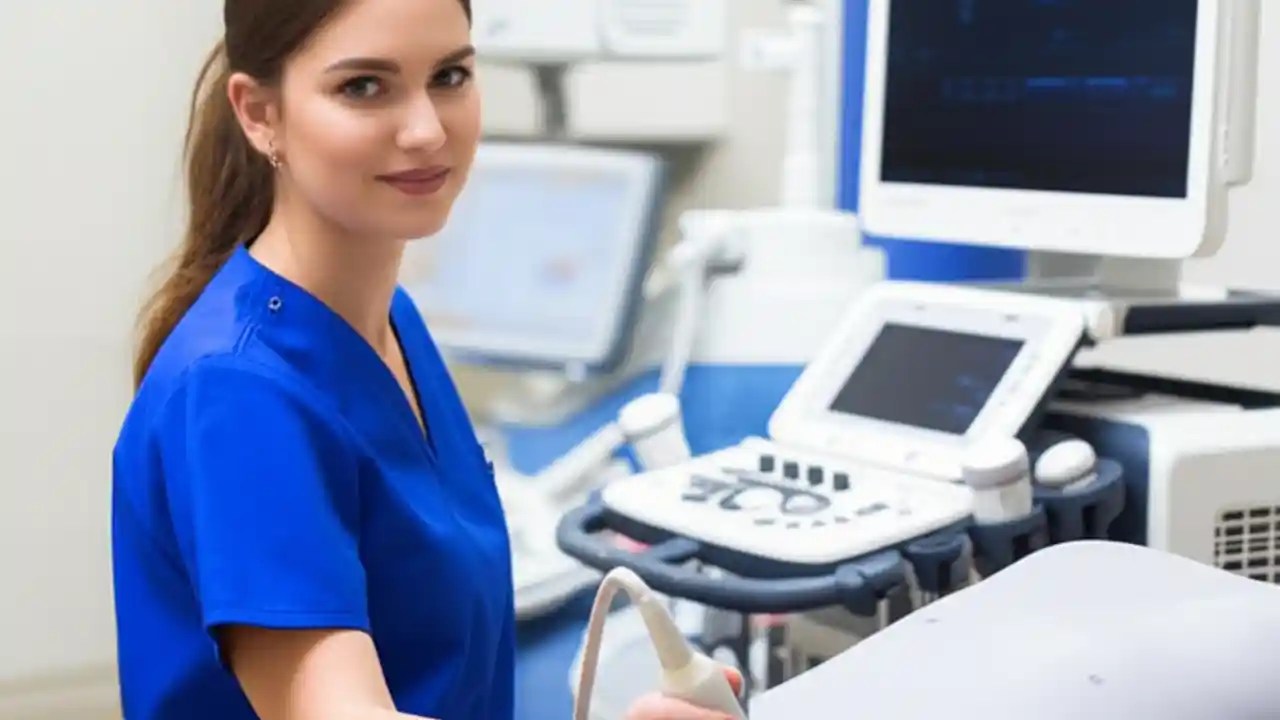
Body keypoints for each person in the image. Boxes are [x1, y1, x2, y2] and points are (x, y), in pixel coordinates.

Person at [111, 1, 741, 718]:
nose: (427, 131)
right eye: (363, 87)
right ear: (260, 114)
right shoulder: (239, 391)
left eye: (449, 76)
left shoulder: (391, 323)